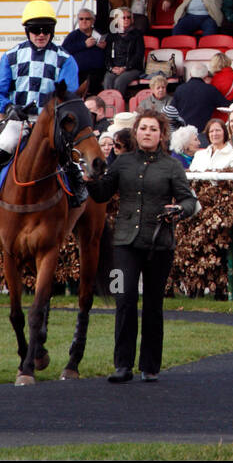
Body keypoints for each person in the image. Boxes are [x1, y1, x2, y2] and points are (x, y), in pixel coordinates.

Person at [86, 108, 199, 383]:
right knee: (124, 301)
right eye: (143, 128)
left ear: (162, 135)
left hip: (159, 243)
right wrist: (89, 180)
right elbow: (102, 194)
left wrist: (179, 210)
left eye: (153, 129)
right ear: (136, 132)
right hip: (124, 243)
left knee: (153, 305)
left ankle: (150, 367)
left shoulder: (171, 166)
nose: (147, 133)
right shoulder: (122, 164)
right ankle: (122, 366)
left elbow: (188, 201)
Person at [0, 0, 80, 199]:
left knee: (71, 155)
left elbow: (70, 95)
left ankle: (78, 191)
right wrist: (9, 108)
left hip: (53, 123)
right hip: (20, 120)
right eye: (36, 29)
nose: (41, 34)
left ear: (52, 30)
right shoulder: (10, 56)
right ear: (27, 31)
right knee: (1, 149)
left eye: (46, 29)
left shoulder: (66, 59)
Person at [103, 7, 146, 100]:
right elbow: (107, 55)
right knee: (108, 80)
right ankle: (108, 106)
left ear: (132, 19)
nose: (126, 19)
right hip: (115, 67)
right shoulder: (112, 35)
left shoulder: (137, 35)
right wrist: (111, 68)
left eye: (128, 17)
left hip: (132, 68)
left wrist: (125, 67)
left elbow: (139, 55)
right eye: (123, 17)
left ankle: (118, 106)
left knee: (119, 81)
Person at [61, 9, 106, 90]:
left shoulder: (99, 34)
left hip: (98, 72)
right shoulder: (73, 35)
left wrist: (105, 47)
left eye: (87, 19)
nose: (84, 21)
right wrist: (84, 44)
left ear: (93, 21)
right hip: (78, 73)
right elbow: (63, 51)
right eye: (81, 19)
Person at [171, 67, 227, 131]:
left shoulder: (180, 89)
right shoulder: (211, 90)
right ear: (205, 76)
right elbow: (225, 105)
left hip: (183, 131)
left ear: (190, 74)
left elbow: (172, 109)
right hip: (202, 131)